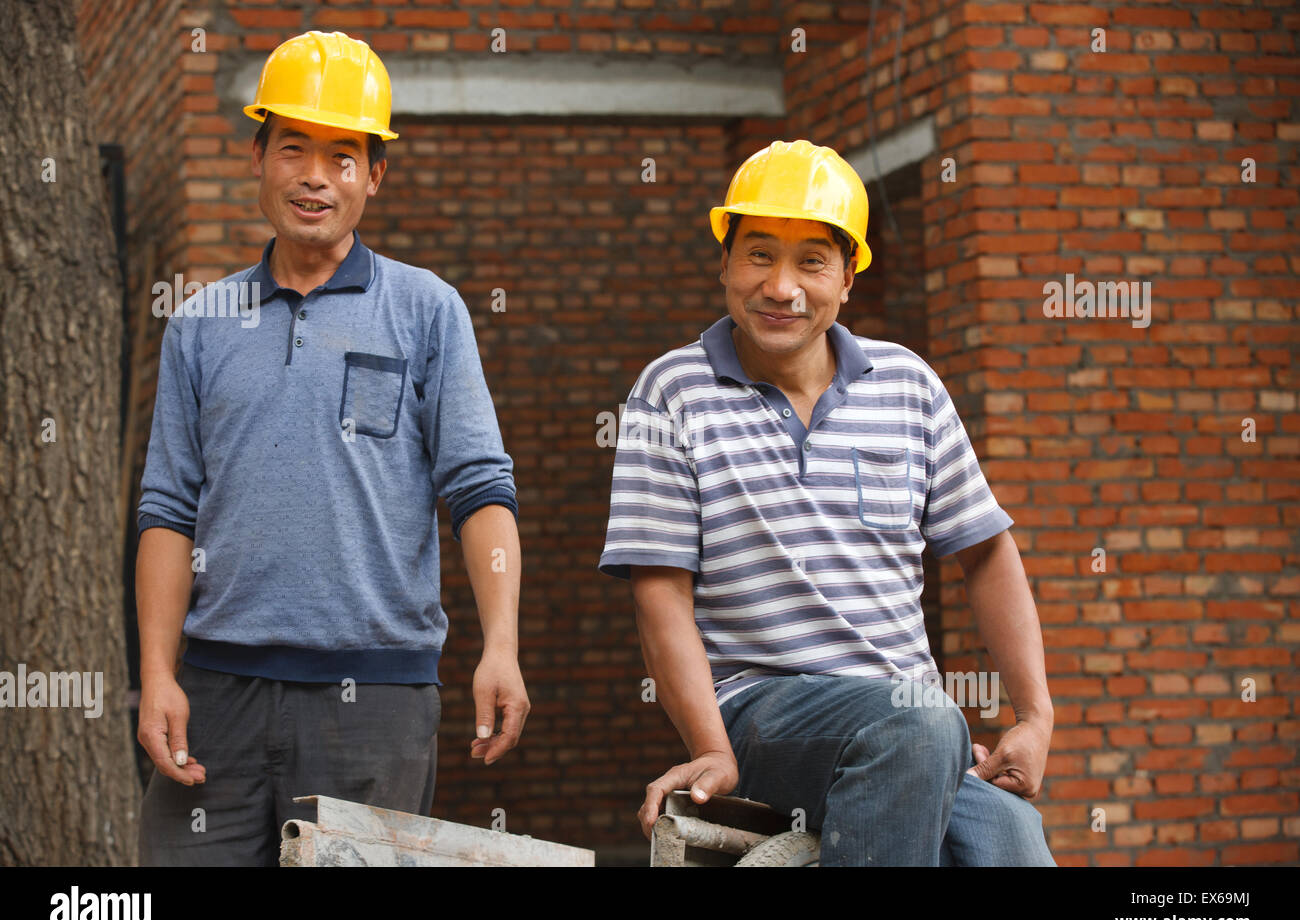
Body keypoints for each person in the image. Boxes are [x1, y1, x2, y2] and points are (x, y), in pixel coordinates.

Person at [598, 140, 1055, 865]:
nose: (781, 287)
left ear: (847, 278)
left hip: (910, 721)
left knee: (1011, 836)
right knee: (919, 728)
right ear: (724, 263)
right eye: (758, 255)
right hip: (761, 712)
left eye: (811, 261)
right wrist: (711, 747)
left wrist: (1033, 716)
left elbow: (987, 552)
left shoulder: (908, 385)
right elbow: (660, 592)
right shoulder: (672, 393)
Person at [135, 31, 527, 865]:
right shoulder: (199, 325)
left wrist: (501, 646)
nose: (315, 176)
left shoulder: (427, 311)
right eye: (294, 149)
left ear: (373, 175)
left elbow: (479, 489)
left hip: (376, 698)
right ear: (258, 157)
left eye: (342, 157)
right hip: (215, 696)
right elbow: (167, 511)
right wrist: (160, 674)